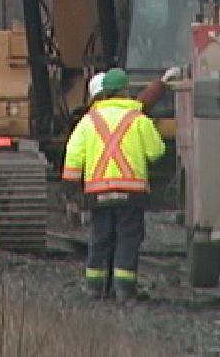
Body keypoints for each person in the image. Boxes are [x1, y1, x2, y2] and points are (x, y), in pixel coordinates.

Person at [62, 67, 166, 302]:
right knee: (128, 239)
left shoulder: (88, 122)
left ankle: (95, 288)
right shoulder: (138, 120)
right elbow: (157, 152)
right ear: (125, 91)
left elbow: (73, 157)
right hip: (131, 193)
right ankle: (124, 290)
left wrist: (70, 191)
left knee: (100, 238)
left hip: (98, 192)